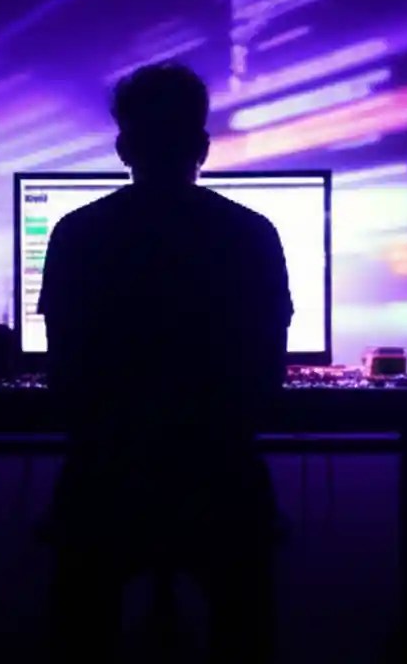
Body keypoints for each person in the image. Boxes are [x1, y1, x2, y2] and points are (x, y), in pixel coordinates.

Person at [38, 62, 293, 663]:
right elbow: (266, 379)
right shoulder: (252, 234)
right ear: (202, 146)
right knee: (244, 622)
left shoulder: (77, 235)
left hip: (107, 482)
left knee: (79, 615)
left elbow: (65, 379)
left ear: (123, 146)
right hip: (220, 481)